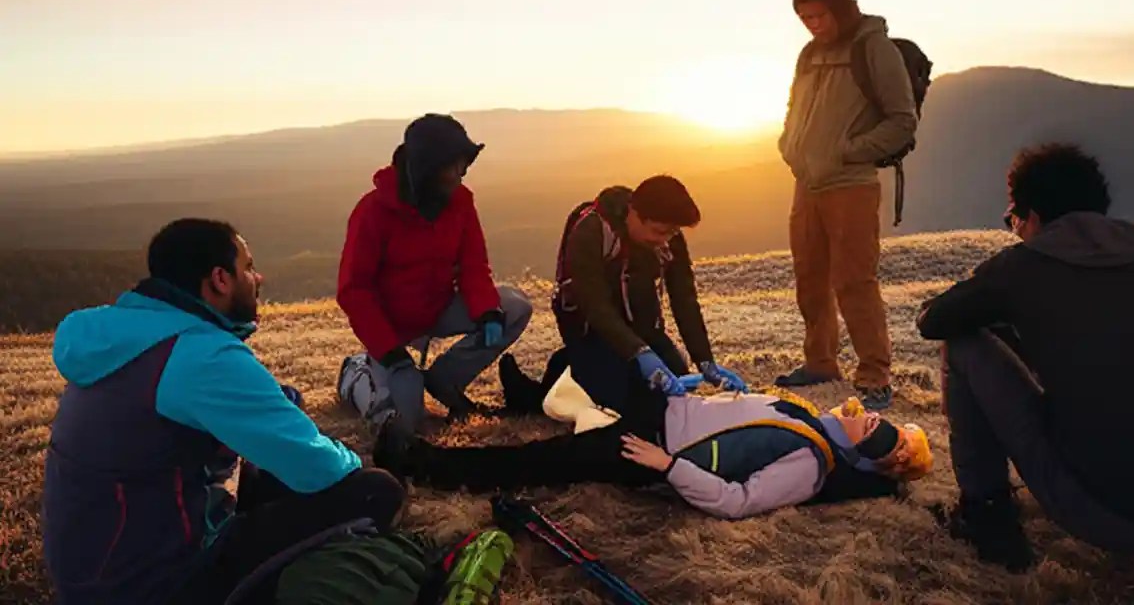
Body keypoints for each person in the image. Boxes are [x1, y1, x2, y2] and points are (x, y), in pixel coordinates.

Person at [919, 143, 1134, 602]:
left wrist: (1000, 309)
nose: (1015, 232)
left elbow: (933, 321)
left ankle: (988, 518)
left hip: (1107, 508)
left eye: (1014, 221)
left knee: (963, 344)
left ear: (1033, 216)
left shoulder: (1022, 268)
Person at [42, 219, 405, 605]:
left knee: (264, 473)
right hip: (157, 582)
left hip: (93, 570)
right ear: (220, 279)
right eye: (248, 266)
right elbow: (319, 469)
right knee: (375, 490)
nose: (257, 276)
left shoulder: (123, 335)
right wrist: (352, 461)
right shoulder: (199, 354)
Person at [374, 384, 933, 520]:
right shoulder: (810, 415)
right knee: (585, 375)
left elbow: (738, 500)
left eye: (881, 435)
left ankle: (421, 465)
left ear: (863, 454)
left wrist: (669, 467)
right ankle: (522, 391)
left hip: (654, 446)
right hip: (661, 410)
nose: (871, 419)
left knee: (542, 461)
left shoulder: (811, 466)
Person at [774, 0, 919, 409]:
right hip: (807, 183)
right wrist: (788, 143)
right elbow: (793, 106)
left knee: (854, 280)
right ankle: (820, 363)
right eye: (804, 18)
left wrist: (848, 152)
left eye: (819, 15)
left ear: (841, 7)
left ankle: (874, 375)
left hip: (851, 185)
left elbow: (902, 120)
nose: (813, 24)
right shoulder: (808, 54)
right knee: (809, 277)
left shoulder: (874, 48)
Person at [337, 113, 533, 429]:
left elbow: (473, 264)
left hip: (438, 308)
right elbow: (353, 291)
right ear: (427, 168)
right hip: (392, 327)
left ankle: (445, 379)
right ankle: (355, 374)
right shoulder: (372, 212)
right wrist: (390, 353)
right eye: (452, 165)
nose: (460, 173)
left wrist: (487, 311)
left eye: (463, 164)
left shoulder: (461, 202)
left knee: (513, 307)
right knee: (405, 421)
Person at [538, 176, 746, 421]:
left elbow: (684, 299)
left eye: (671, 233)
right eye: (658, 232)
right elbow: (595, 305)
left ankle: (577, 366)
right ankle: (564, 369)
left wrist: (705, 361)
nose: (664, 240)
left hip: (644, 330)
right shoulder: (591, 230)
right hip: (593, 332)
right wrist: (638, 353)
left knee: (676, 393)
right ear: (633, 214)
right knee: (627, 404)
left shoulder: (669, 235)